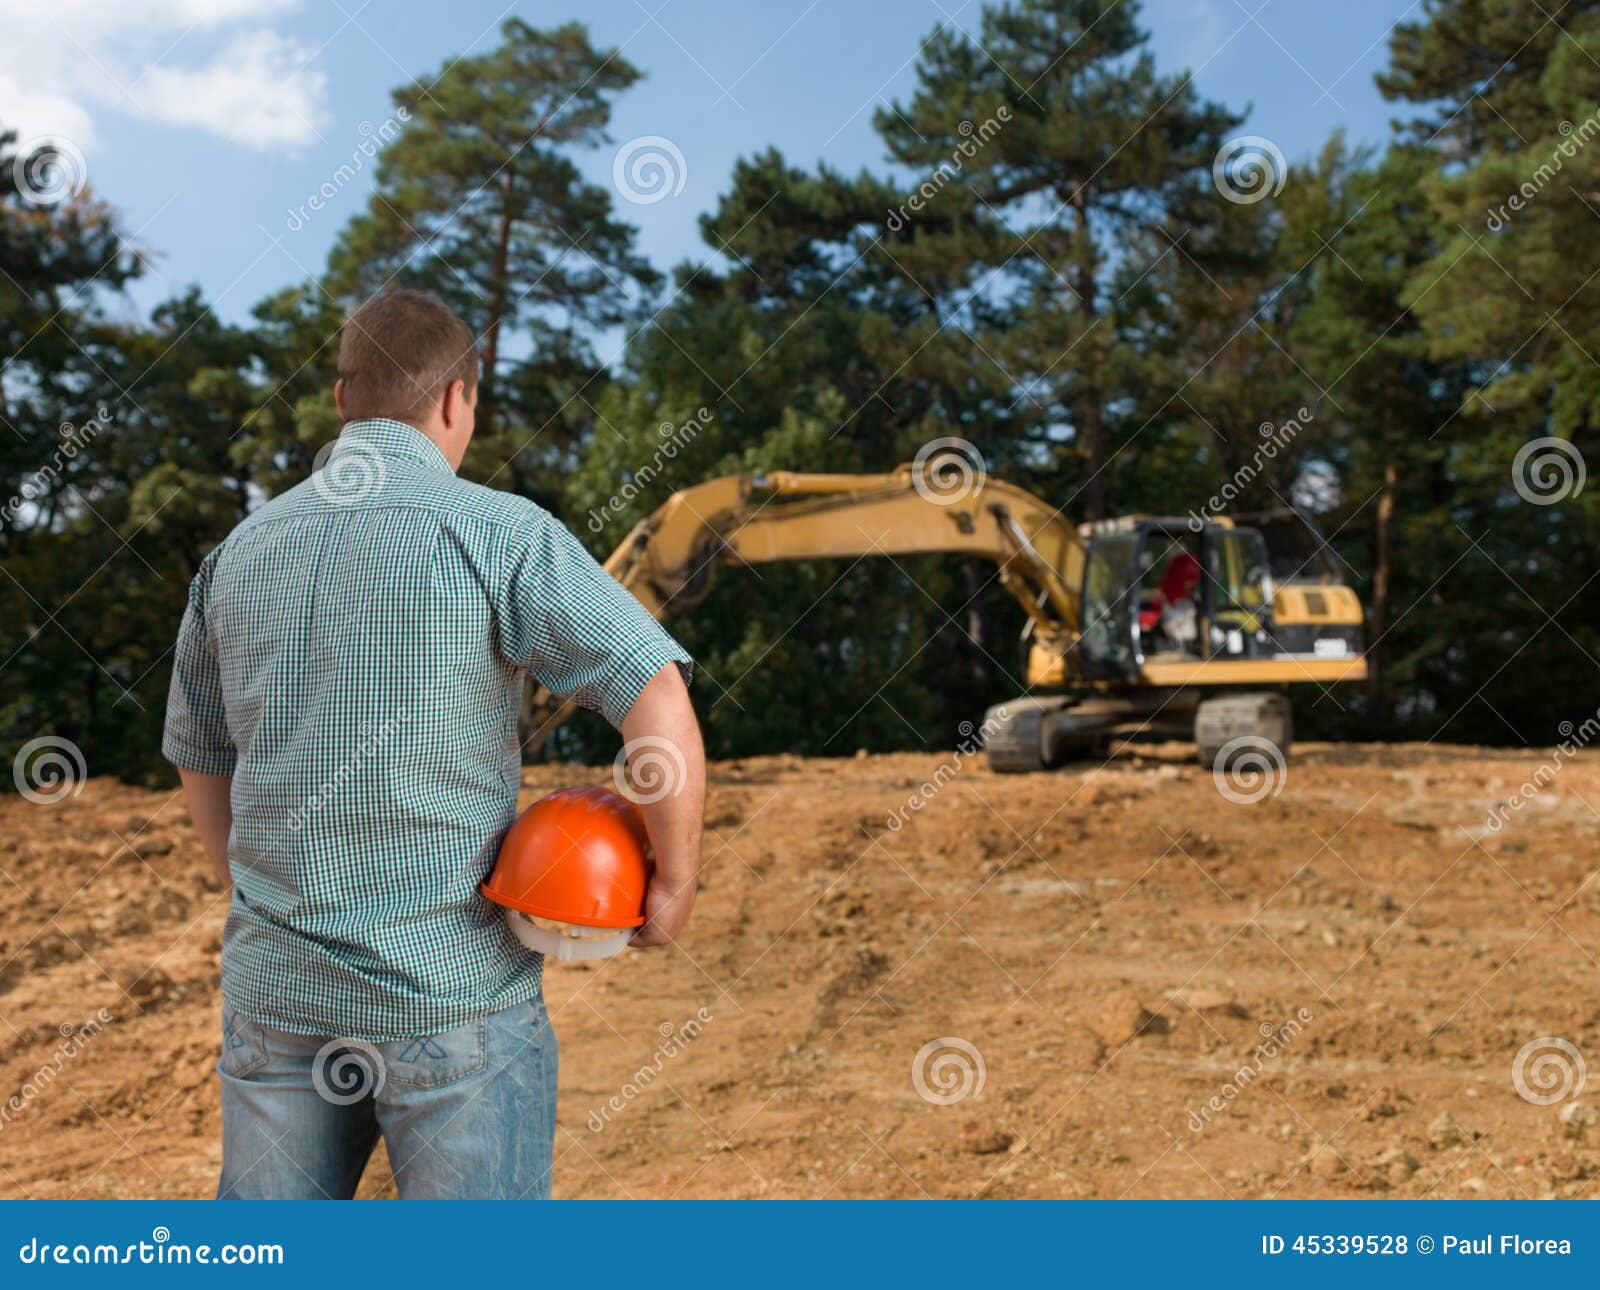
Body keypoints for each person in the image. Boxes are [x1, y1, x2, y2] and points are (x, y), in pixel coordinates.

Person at [162, 288, 705, 1200]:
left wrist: (253, 892)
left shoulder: (239, 553)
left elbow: (200, 755)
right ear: (456, 399)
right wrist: (677, 881)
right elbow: (654, 691)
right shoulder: (501, 533)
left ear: (342, 399)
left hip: (278, 995)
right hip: (453, 998)